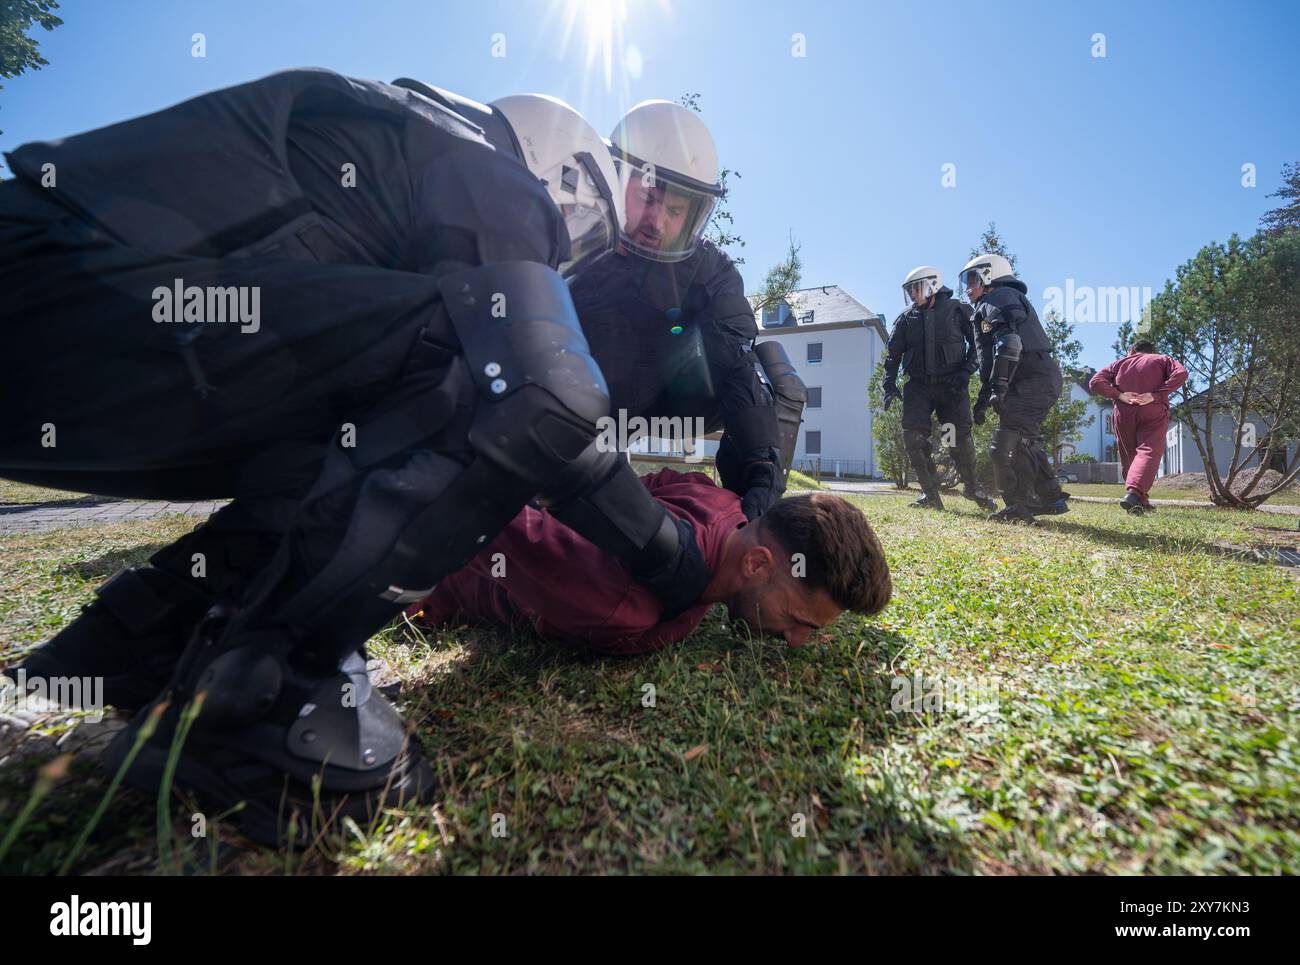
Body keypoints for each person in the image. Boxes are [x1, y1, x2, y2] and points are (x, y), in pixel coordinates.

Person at [0, 69, 710, 845]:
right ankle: (265, 702)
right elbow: (543, 406)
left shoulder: (410, 160)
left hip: (63, 316)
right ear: (564, 174)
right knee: (504, 370)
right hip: (67, 306)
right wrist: (667, 552)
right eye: (581, 236)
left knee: (380, 417)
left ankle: (152, 636)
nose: (561, 255)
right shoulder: (487, 171)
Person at [567, 100, 804, 520]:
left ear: (694, 213)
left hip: (667, 397)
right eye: (646, 197)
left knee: (764, 366)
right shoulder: (573, 238)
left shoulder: (711, 270)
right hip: (576, 398)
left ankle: (754, 498)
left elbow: (734, 360)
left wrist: (762, 465)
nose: (657, 220)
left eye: (675, 210)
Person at [410, 468, 892, 653]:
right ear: (756, 564)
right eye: (796, 620)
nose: (796, 641)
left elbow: (647, 484)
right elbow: (473, 514)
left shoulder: (722, 503)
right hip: (431, 592)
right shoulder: (628, 607)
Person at [961, 253, 1069, 524]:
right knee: (1025, 438)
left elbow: (1009, 344)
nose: (968, 287)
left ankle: (1018, 506)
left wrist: (999, 387)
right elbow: (992, 357)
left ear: (989, 277)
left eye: (972, 279)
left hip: (1031, 377)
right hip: (1035, 377)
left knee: (1007, 443)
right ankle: (1050, 497)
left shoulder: (997, 297)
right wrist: (985, 397)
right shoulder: (996, 301)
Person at [882, 266, 996, 511]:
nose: (913, 294)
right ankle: (930, 494)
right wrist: (889, 385)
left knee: (953, 438)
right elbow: (892, 356)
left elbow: (979, 344)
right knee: (914, 437)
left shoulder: (958, 310)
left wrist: (966, 371)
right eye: (909, 290)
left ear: (932, 285)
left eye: (917, 288)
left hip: (951, 388)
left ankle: (971, 486)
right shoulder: (905, 319)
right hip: (918, 389)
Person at [1088, 340, 1188, 514]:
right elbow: (1181, 373)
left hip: (1123, 413)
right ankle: (1134, 493)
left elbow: (1095, 382)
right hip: (1152, 411)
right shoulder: (1162, 359)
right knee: (1148, 450)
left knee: (1129, 457)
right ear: (1151, 351)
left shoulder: (1118, 363)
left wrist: (1118, 394)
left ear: (1131, 350)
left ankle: (1140, 500)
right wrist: (1156, 395)